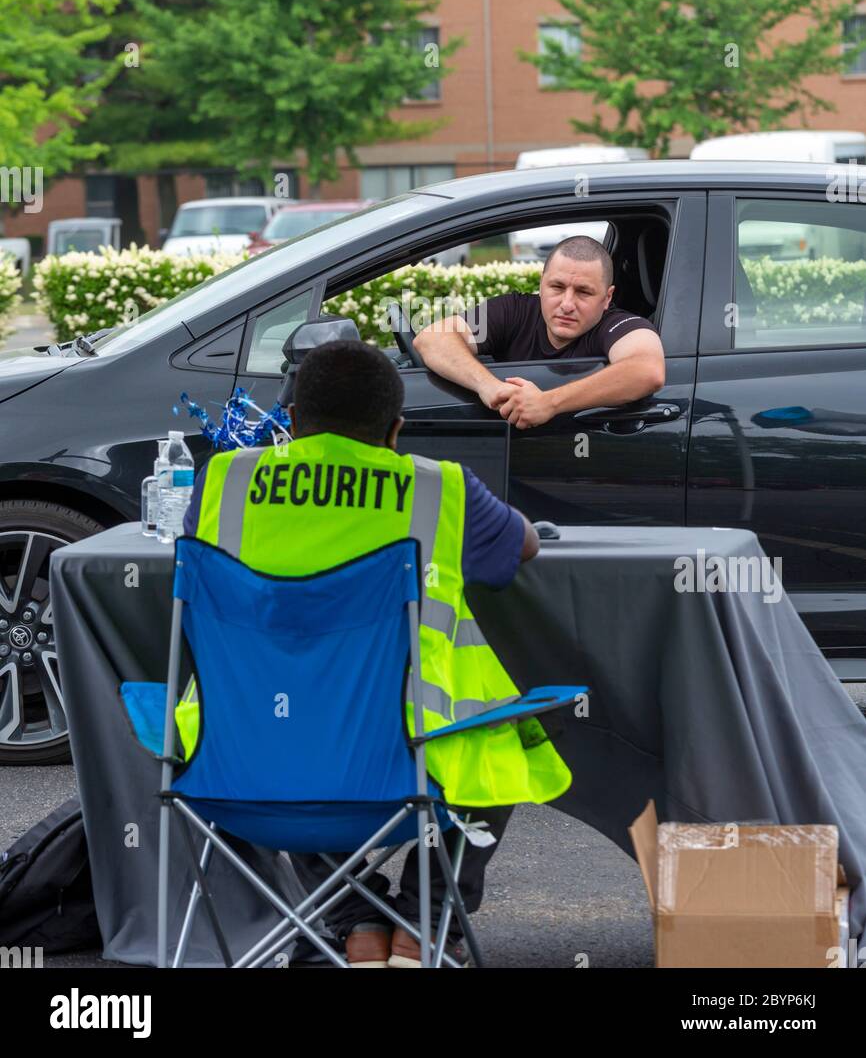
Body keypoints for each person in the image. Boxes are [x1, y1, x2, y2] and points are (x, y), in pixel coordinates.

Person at [181, 339, 565, 968]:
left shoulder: (225, 480)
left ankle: (353, 919)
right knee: (503, 736)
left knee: (289, 726)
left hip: (238, 766)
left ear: (295, 422)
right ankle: (423, 923)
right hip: (405, 770)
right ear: (396, 430)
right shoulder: (438, 488)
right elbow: (519, 550)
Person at [413, 234, 665, 428]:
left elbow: (647, 370)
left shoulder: (614, 325)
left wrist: (549, 403)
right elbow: (433, 338)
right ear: (541, 285)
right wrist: (489, 387)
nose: (567, 304)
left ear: (607, 297)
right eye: (557, 287)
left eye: (583, 292)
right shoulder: (514, 310)